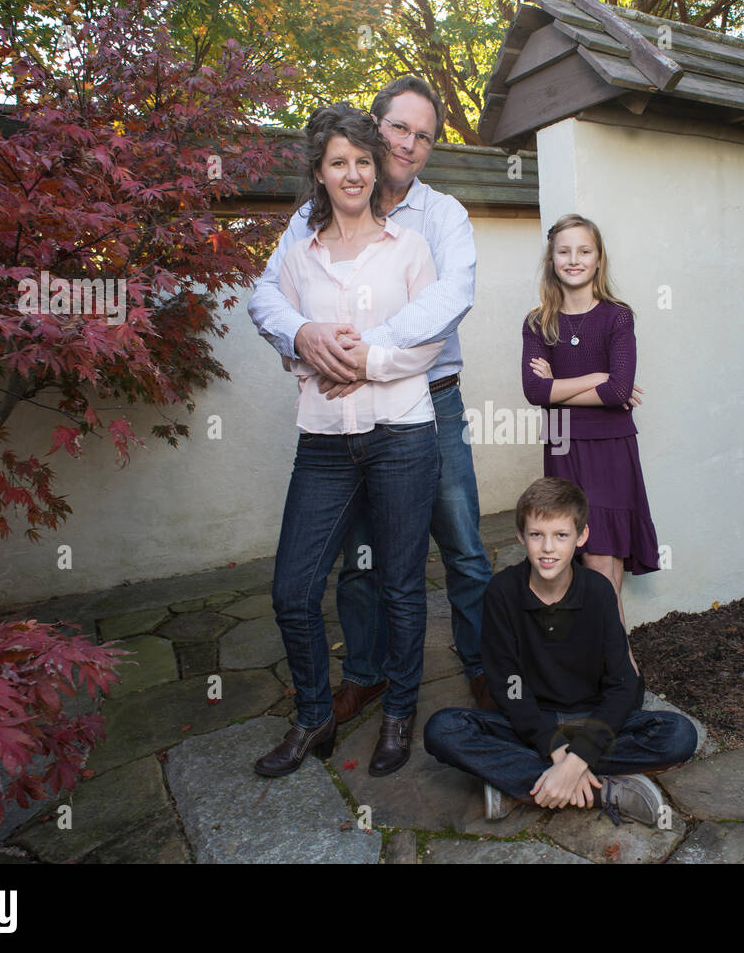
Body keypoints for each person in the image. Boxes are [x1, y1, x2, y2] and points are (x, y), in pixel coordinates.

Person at [248, 76, 494, 728]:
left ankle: (481, 665)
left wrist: (365, 355)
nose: (409, 143)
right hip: (344, 423)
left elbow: (448, 300)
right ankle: (368, 672)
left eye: (424, 135)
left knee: (464, 548)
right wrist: (302, 334)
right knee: (359, 562)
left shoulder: (441, 218)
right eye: (399, 128)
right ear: (372, 125)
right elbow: (267, 294)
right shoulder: (317, 213)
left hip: (427, 407)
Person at [253, 103, 441, 779]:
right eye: (340, 162)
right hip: (326, 443)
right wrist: (311, 353)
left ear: (376, 167)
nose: (354, 172)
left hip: (403, 436)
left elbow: (428, 341)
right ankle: (314, 715)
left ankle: (399, 713)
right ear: (320, 173)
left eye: (364, 160)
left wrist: (363, 364)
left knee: (400, 585)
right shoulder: (298, 254)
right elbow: (271, 317)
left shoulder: (411, 249)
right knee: (292, 590)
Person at [423, 477, 696, 824]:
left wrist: (579, 755)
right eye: (537, 535)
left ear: (581, 537)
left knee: (679, 736)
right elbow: (508, 684)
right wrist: (550, 744)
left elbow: (624, 684)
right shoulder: (502, 591)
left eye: (561, 536)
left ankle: (520, 784)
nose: (548, 548)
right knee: (443, 729)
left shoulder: (597, 591)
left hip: (592, 715)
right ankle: (603, 791)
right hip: (533, 720)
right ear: (521, 536)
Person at [520, 213, 660, 662]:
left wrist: (568, 385)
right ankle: (586, 662)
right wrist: (595, 377)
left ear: (599, 259)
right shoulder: (540, 322)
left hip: (610, 449)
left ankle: (622, 665)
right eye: (564, 251)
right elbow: (535, 392)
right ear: (552, 258)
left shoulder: (617, 317)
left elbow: (619, 391)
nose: (573, 259)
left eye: (584, 251)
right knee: (567, 558)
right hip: (563, 447)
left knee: (602, 563)